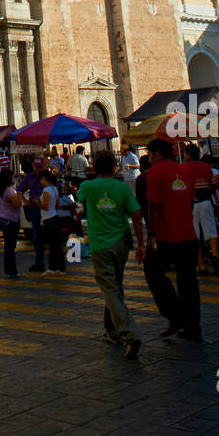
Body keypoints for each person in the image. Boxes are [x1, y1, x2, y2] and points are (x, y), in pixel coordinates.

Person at [78, 150, 145, 358]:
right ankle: (112, 331)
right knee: (115, 286)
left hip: (100, 247)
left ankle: (130, 334)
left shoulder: (87, 186)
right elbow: (136, 214)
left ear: (94, 167)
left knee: (110, 289)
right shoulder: (122, 187)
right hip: (121, 246)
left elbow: (78, 201)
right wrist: (140, 244)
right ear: (115, 167)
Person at [143, 138, 202, 342]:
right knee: (188, 281)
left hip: (166, 236)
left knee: (152, 271)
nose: (149, 158)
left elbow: (153, 205)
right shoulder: (186, 171)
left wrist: (151, 234)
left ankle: (174, 315)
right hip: (188, 234)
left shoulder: (154, 172)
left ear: (158, 153)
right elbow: (190, 201)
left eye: (150, 154)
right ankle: (193, 326)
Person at [183, 143, 219, 276]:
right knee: (211, 232)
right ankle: (215, 256)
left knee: (195, 236)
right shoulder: (206, 167)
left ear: (187, 155)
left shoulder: (182, 168)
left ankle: (202, 266)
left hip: (191, 205)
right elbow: (214, 186)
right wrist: (217, 201)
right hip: (206, 202)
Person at [18, 157, 46, 272]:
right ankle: (40, 262)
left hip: (47, 210)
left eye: (40, 167)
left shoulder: (48, 176)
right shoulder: (28, 177)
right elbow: (19, 191)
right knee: (37, 237)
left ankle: (56, 264)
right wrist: (26, 202)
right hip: (35, 210)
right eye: (36, 167)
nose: (38, 170)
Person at [37, 168, 66, 274]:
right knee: (57, 245)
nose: (40, 182)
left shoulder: (46, 190)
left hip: (48, 219)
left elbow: (45, 206)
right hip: (55, 216)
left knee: (53, 245)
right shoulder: (54, 189)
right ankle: (60, 267)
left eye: (41, 180)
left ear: (44, 179)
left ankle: (53, 267)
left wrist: (37, 203)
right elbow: (57, 205)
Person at [0, 169, 23, 278]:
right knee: (11, 247)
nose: (14, 179)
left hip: (4, 218)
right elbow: (17, 204)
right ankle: (12, 270)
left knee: (8, 246)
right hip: (11, 220)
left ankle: (8, 269)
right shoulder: (10, 191)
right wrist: (20, 197)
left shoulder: (0, 190)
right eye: (13, 177)